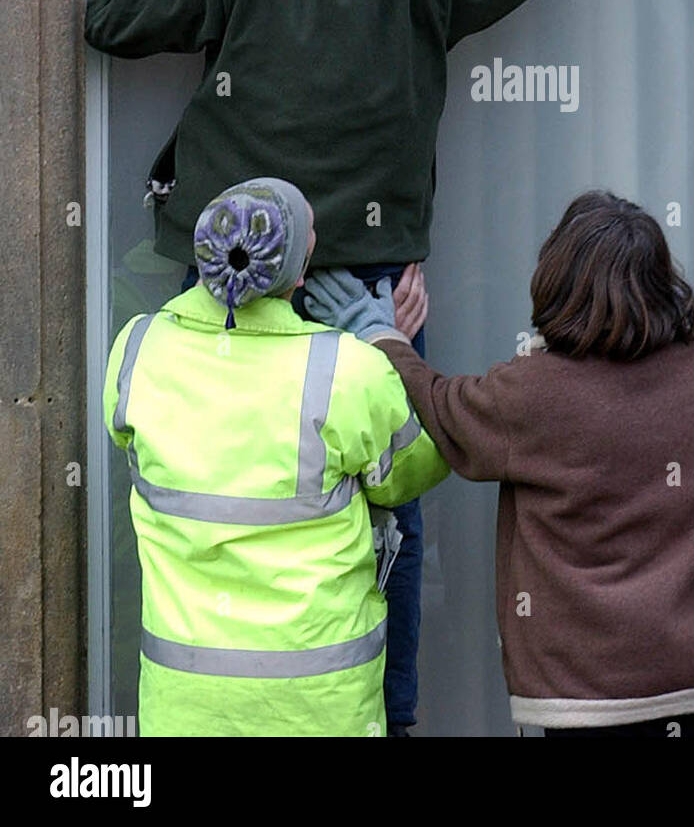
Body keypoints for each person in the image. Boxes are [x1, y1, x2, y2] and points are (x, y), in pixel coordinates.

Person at [84, 0, 580, 733]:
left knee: (218, 495)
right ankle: (381, 717)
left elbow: (111, 17)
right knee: (387, 512)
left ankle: (210, 696)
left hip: (228, 283)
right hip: (370, 290)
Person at [304, 191, 694, 738]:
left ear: (559, 281)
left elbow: (443, 411)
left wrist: (376, 330)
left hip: (579, 695)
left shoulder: (537, 392)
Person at [103, 177, 448, 737]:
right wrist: (389, 344)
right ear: (299, 276)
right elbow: (418, 468)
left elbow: (132, 438)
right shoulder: (348, 371)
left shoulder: (137, 349)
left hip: (184, 710)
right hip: (321, 711)